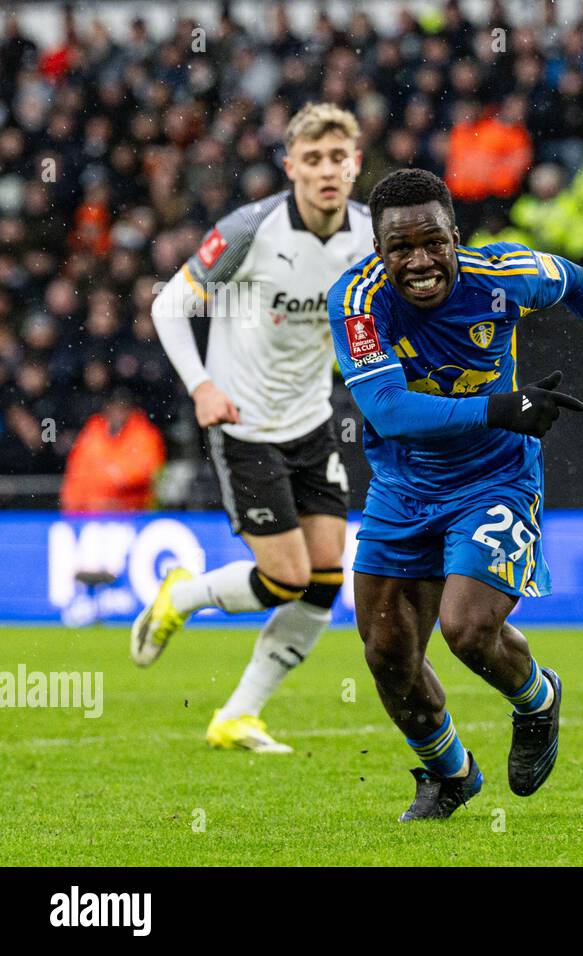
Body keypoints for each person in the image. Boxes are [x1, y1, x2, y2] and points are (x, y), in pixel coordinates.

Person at [329, 168, 583, 820]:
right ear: (378, 252)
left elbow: (576, 282)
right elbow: (387, 411)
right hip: (403, 488)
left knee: (465, 629)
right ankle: (451, 773)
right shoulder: (356, 302)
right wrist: (501, 406)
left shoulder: (501, 277)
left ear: (455, 238)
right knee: (386, 654)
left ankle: (537, 699)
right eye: (400, 248)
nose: (420, 261)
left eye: (433, 242)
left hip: (494, 481)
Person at [133, 104, 375, 754]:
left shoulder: (371, 237)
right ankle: (183, 595)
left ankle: (238, 715)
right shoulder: (251, 229)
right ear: (290, 166)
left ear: (355, 164)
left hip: (311, 423)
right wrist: (202, 386)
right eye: (314, 159)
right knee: (286, 579)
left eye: (338, 158)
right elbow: (169, 305)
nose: (327, 171)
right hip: (244, 424)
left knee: (326, 574)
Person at [60, 387, 166, 513]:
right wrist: (71, 507)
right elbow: (77, 469)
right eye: (114, 407)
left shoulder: (144, 433)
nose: (118, 413)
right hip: (88, 514)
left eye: (123, 408)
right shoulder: (94, 429)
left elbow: (142, 471)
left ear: (131, 410)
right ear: (107, 408)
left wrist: (106, 476)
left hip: (130, 513)